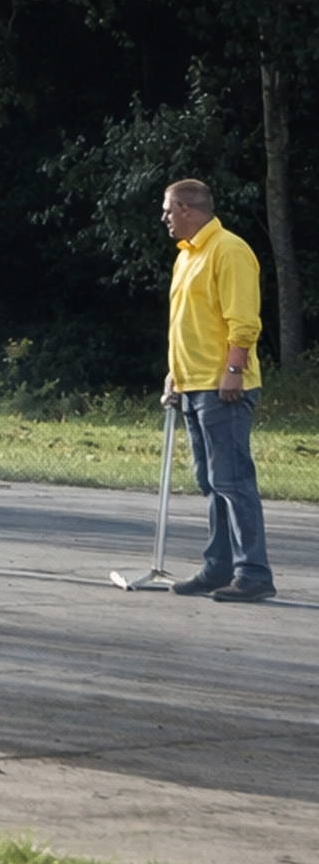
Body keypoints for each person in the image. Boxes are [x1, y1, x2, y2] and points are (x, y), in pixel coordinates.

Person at [159, 179, 275, 602]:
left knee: (231, 479)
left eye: (169, 210)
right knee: (210, 481)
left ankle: (254, 572)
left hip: (221, 385)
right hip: (193, 384)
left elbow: (243, 318)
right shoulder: (187, 256)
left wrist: (234, 368)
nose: (165, 218)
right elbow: (186, 325)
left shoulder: (229, 250)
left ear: (189, 209)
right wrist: (175, 374)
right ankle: (218, 567)